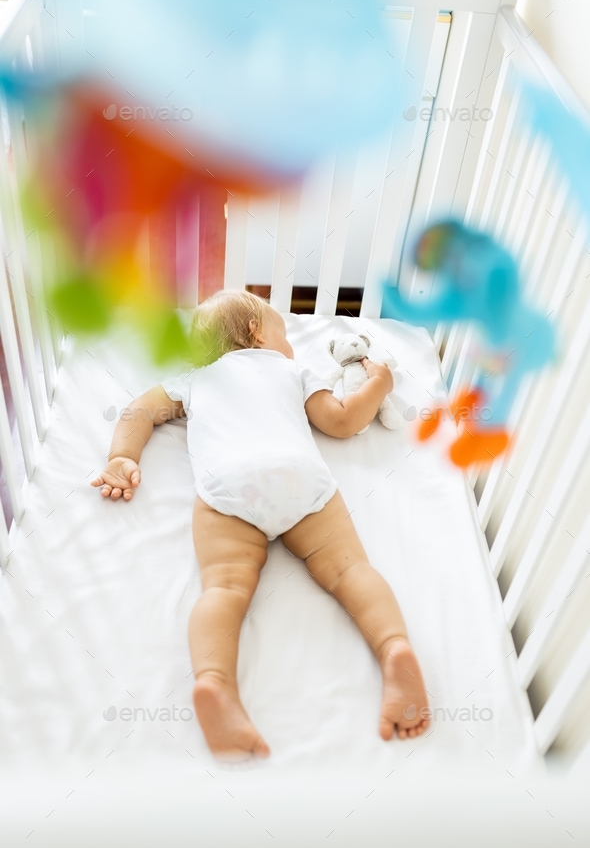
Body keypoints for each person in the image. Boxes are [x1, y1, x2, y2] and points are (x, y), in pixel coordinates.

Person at [92, 290, 428, 760]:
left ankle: (217, 686)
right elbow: (342, 421)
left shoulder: (192, 378)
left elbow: (138, 412)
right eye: (283, 335)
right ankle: (394, 651)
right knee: (351, 572)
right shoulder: (292, 369)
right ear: (256, 334)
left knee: (224, 590)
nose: (289, 345)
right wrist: (380, 386)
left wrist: (121, 457)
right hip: (300, 481)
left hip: (229, 488)